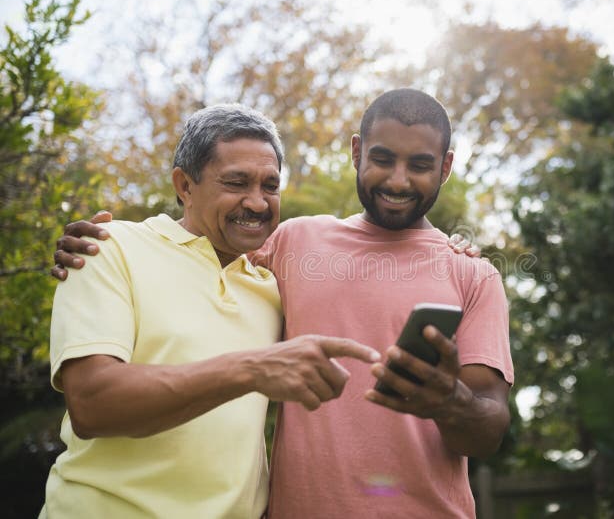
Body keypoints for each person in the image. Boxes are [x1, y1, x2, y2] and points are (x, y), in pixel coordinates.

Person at [52, 89, 513, 518]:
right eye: (382, 158)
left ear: (445, 166)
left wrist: (449, 400)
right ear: (356, 153)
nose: (398, 179)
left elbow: (489, 429)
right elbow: (194, 244)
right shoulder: (291, 241)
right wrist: (96, 243)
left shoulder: (471, 273)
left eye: (420, 164)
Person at [40, 104, 380, 519]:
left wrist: (455, 250)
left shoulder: (273, 286)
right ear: (184, 185)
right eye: (236, 183)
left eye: (270, 186)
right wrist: (250, 369)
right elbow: (93, 405)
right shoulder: (108, 248)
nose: (257, 203)